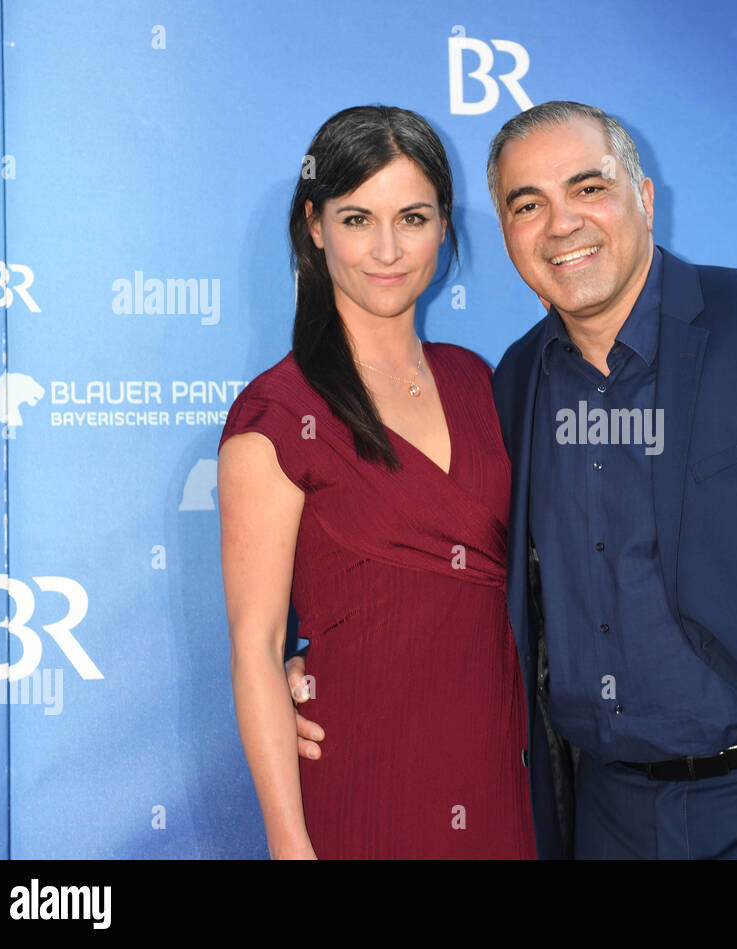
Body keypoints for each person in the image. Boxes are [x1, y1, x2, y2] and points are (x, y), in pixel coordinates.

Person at [291, 100, 737, 859]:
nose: (561, 224)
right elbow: (467, 578)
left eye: (589, 188)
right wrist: (325, 668)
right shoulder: (512, 384)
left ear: (644, 199)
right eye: (528, 204)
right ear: (508, 234)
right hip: (604, 819)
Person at [219, 105, 535, 859]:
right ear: (315, 224)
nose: (388, 249)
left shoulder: (479, 382)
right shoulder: (277, 413)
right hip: (361, 786)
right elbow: (256, 647)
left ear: (445, 227)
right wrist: (291, 847)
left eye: (414, 217)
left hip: (503, 779)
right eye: (357, 218)